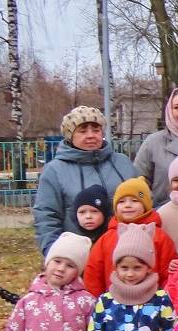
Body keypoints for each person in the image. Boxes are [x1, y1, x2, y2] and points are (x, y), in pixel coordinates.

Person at [34, 105, 138, 254]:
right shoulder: (55, 170)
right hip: (78, 258)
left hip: (124, 257)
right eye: (82, 131)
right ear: (70, 136)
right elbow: (46, 217)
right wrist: (55, 255)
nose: (90, 135)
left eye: (96, 130)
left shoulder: (122, 163)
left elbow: (144, 202)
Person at [84, 177, 177, 296]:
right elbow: (93, 273)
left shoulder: (159, 236)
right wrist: (97, 301)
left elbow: (168, 271)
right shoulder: (106, 238)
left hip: (151, 303)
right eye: (121, 201)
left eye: (134, 200)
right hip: (113, 304)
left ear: (146, 205)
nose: (128, 205)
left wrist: (164, 298)